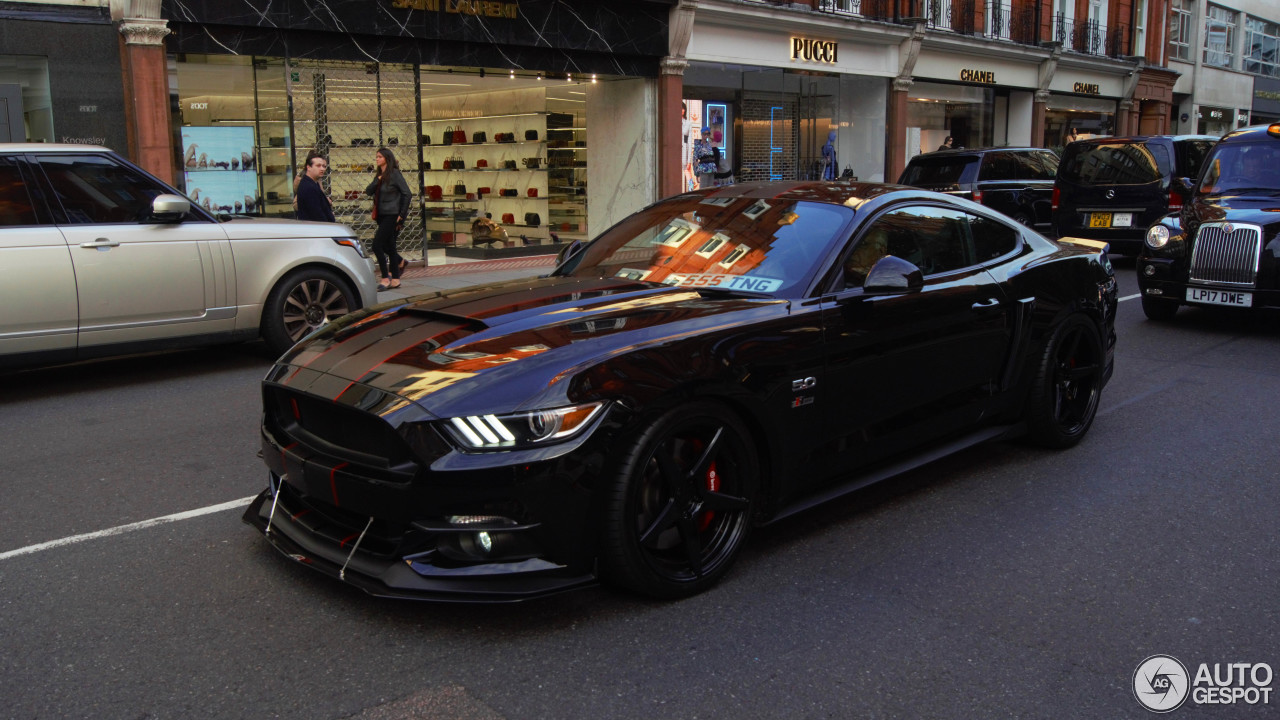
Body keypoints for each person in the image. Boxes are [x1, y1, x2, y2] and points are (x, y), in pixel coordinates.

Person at [365, 147, 411, 290]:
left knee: (377, 245)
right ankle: (396, 278)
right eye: (376, 156)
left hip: (392, 215)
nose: (377, 159)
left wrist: (401, 215)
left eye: (380, 157)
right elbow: (368, 191)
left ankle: (385, 278)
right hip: (381, 215)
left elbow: (407, 194)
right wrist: (377, 181)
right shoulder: (380, 175)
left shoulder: (394, 174)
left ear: (387, 158)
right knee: (390, 246)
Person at [294, 152, 335, 222]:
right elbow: (317, 216)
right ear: (308, 167)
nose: (322, 169)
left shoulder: (313, 183)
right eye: (318, 166)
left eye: (324, 166)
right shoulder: (309, 187)